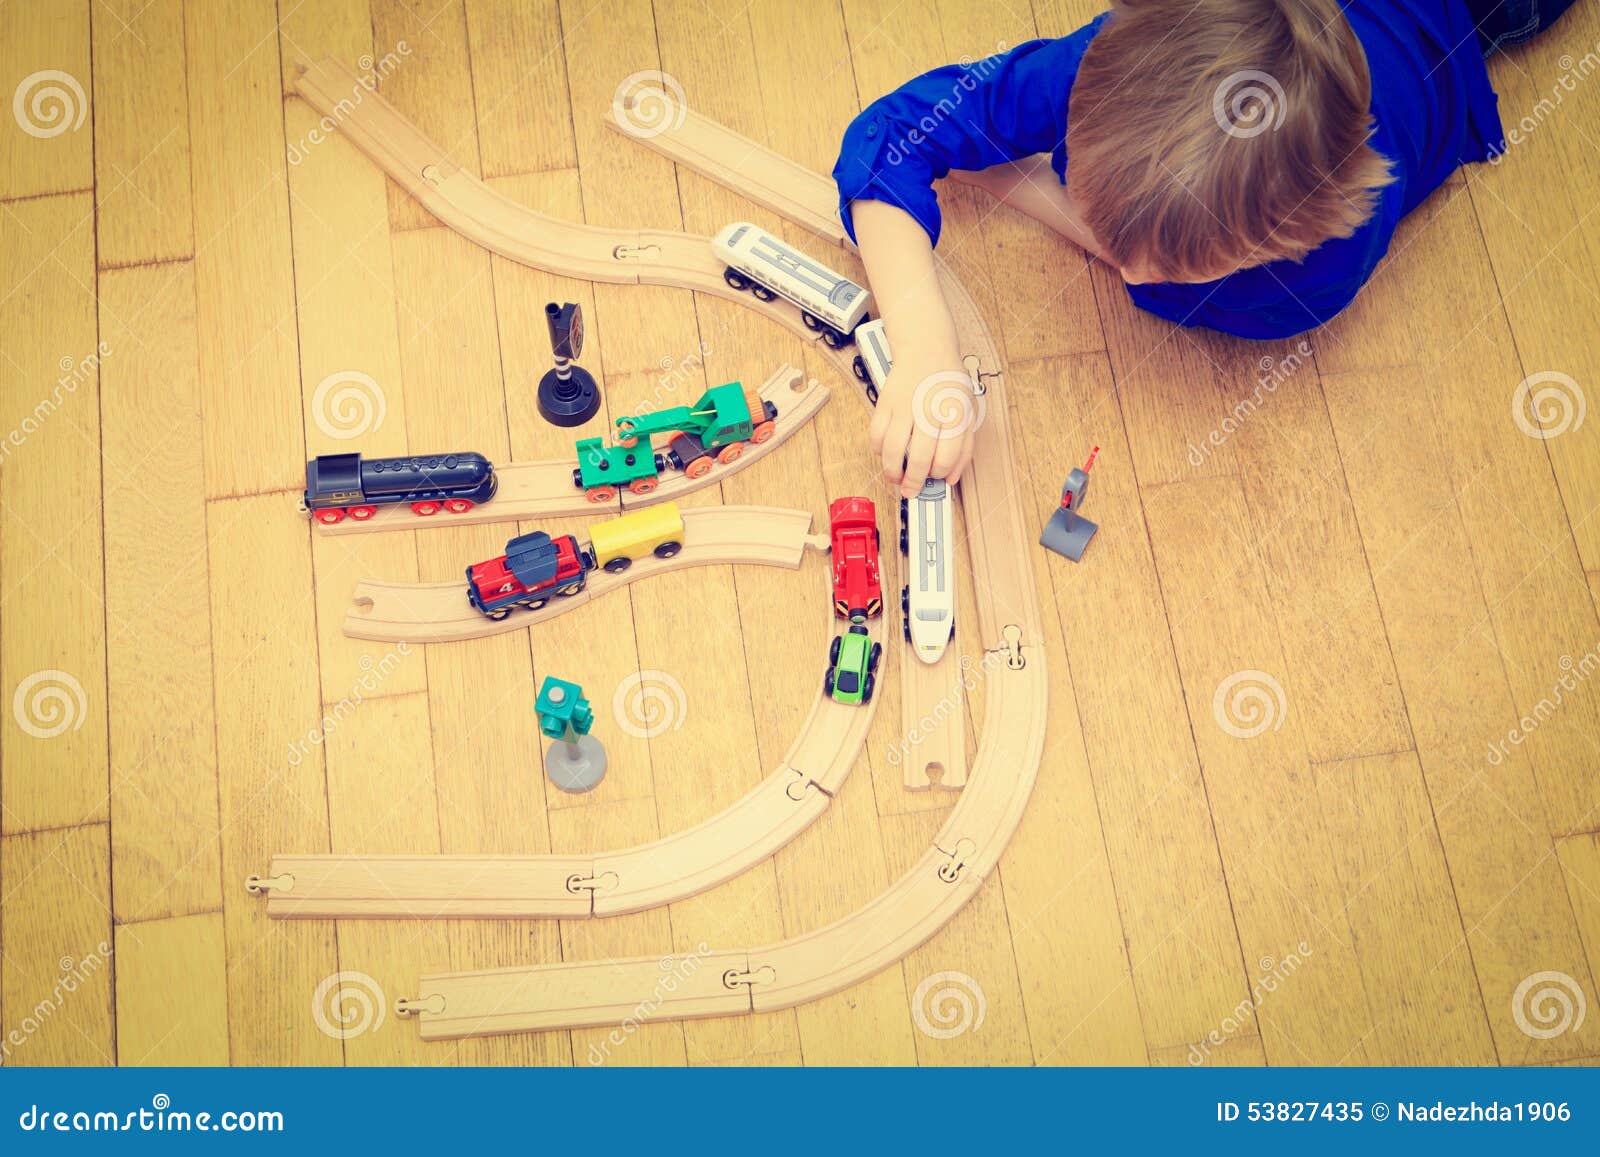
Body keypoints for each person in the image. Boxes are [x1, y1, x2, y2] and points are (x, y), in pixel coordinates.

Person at [833, 0, 1580, 497]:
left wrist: (1009, 170)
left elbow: (924, 150)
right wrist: (926, 347)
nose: (1127, 269)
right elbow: (894, 134)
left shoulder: (1313, 277)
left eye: (1169, 263)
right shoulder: (1093, 68)